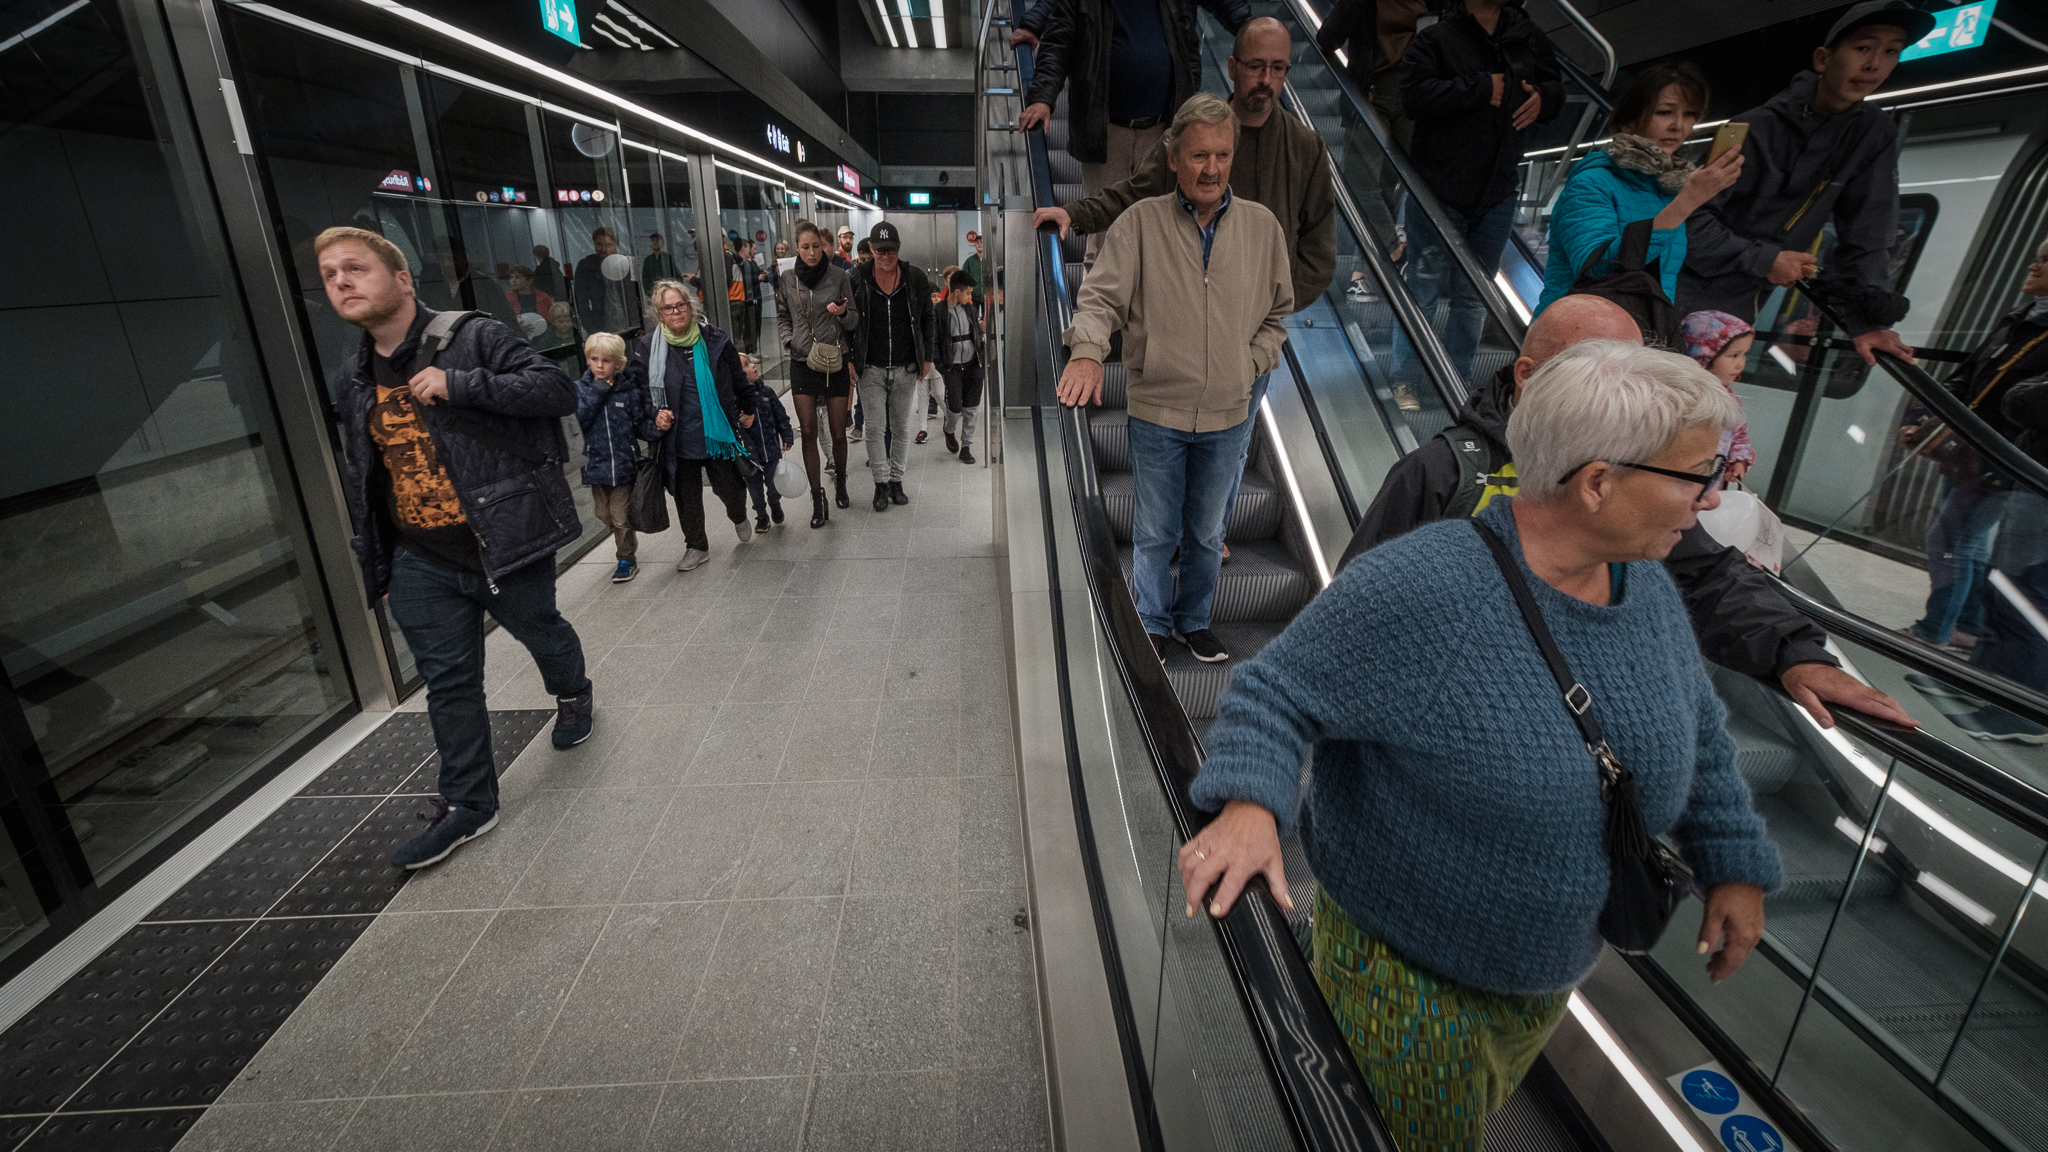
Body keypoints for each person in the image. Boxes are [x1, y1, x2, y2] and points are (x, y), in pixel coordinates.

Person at [1179, 339, 1784, 1149]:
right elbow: (1276, 690)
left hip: (1543, 980)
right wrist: (1251, 801)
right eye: (1695, 476)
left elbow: (1701, 732)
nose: (1709, 500)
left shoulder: (1645, 589)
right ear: (1597, 482)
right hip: (1405, 980)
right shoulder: (1428, 589)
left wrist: (1733, 862)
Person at [1339, 293, 1914, 730]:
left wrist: (1794, 653)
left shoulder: (1639, 471)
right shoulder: (1445, 473)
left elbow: (1704, 572)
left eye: (1635, 372)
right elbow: (1352, 619)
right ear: (1529, 375)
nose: (1624, 394)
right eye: (1597, 372)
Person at [314, 226, 593, 870]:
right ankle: (470, 803)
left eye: (355, 268)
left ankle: (572, 690)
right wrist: (379, 565)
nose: (341, 282)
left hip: (502, 539)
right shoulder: (352, 379)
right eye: (330, 275)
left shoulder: (473, 336)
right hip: (420, 558)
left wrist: (463, 384)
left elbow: (556, 390)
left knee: (538, 627)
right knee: (450, 682)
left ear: (403, 279)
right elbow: (365, 478)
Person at [1058, 93, 1292, 664]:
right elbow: (1099, 300)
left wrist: (1250, 361)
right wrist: (1088, 351)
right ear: (1172, 158)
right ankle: (1154, 625)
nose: (1211, 169)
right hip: (1157, 410)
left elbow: (1278, 314)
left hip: (1229, 412)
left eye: (1221, 155)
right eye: (1197, 157)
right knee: (1158, 531)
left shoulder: (1262, 229)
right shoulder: (1138, 224)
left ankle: (1195, 621)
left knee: (1208, 535)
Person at [1674, 1, 1935, 366]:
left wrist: (1867, 321)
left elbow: (1869, 233)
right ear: (1823, 59)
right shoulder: (1756, 128)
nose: (1874, 63)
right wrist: (1766, 259)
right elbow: (1687, 221)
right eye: (1863, 47)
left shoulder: (1873, 133)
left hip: (1742, 308)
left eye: (1891, 51)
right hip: (1682, 291)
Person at [1033, 17, 1336, 319]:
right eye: (1256, 66)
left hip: (1255, 323)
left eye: (1278, 68)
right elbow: (1136, 192)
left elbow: (1319, 251)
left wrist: (1274, 305)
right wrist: (1074, 214)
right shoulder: (1192, 131)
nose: (1266, 80)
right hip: (1184, 312)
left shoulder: (1305, 147)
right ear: (1232, 68)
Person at [1020, 0, 1252, 269]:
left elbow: (1202, 33)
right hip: (1105, 132)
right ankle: (1098, 309)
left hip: (1164, 131)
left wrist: (1254, 33)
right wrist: (1042, 97)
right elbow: (1058, 42)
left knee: (1159, 234)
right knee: (1104, 238)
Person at [1399, 0, 1562, 377]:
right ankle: (1406, 378)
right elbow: (1414, 97)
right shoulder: (1436, 38)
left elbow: (1554, 87)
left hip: (1498, 192)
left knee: (1474, 297)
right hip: (1437, 191)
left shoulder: (1527, 37)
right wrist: (1481, 87)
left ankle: (1458, 380)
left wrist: (1543, 99)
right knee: (1421, 289)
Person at [1900, 239, 2048, 651]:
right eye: (2036, 256)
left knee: (1949, 541)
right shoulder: (2020, 318)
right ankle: (1967, 624)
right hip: (1968, 449)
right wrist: (1931, 419)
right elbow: (1969, 374)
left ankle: (1934, 632)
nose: (2034, 266)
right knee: (1967, 541)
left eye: (2046, 260)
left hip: (2005, 456)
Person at [1535, 63, 1744, 322]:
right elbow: (1599, 270)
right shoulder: (1592, 182)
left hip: (1636, 336)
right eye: (1665, 112)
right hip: (1576, 332)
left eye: (1690, 114)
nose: (1678, 126)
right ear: (1628, 122)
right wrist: (1687, 202)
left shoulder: (1667, 188)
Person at [626, 281, 755, 572]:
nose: (676, 312)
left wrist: (749, 408)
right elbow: (640, 392)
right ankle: (696, 546)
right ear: (659, 314)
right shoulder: (648, 348)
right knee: (686, 495)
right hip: (676, 438)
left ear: (691, 306)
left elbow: (738, 378)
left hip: (715, 432)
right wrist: (654, 414)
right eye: (668, 308)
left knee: (729, 487)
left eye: (681, 305)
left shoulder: (714, 339)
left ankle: (738, 514)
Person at [849, 221, 940, 513]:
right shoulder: (858, 278)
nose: (886, 256)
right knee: (875, 428)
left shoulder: (913, 278)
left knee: (900, 427)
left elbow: (928, 318)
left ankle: (896, 480)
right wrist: (851, 358)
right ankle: (880, 484)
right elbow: (849, 323)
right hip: (871, 366)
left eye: (891, 250)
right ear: (871, 250)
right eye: (880, 250)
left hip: (905, 365)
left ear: (899, 249)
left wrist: (926, 357)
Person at [779, 220, 862, 526]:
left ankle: (840, 481)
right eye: (805, 247)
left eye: (816, 246)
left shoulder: (839, 275)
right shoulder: (788, 278)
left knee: (839, 431)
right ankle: (817, 498)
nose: (812, 253)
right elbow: (783, 315)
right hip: (802, 362)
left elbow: (853, 319)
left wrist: (842, 313)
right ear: (796, 249)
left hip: (834, 360)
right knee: (809, 431)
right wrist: (789, 341)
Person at [574, 331, 652, 583]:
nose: (599, 365)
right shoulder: (580, 389)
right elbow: (578, 421)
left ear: (618, 363)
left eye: (606, 360)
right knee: (603, 514)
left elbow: (639, 423)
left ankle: (626, 558)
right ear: (587, 360)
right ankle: (624, 540)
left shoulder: (628, 391)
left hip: (623, 464)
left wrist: (658, 428)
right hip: (595, 466)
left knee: (620, 516)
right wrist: (597, 392)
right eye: (594, 359)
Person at [1315, 0, 1430, 150]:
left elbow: (1328, 38)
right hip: (1380, 93)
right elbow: (1328, 39)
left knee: (1372, 167)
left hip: (1410, 94)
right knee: (1370, 166)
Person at [1679, 311, 1757, 483]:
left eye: (1744, 354)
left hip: (1712, 485)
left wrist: (1738, 460)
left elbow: (1739, 436)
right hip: (1678, 481)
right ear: (1703, 354)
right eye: (1733, 355)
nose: (1740, 363)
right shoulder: (1680, 397)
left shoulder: (1731, 400)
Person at [736, 351, 795, 531]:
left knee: (773, 484)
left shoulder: (767, 392)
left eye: (750, 363)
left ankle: (775, 504)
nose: (753, 366)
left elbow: (781, 416)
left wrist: (786, 435)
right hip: (750, 455)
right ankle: (761, 515)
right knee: (754, 488)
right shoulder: (735, 400)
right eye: (746, 365)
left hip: (771, 450)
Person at [938, 269, 987, 465]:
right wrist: (941, 366)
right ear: (957, 292)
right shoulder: (939, 312)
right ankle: (949, 430)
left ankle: (966, 446)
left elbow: (976, 332)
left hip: (973, 364)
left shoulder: (970, 310)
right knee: (955, 407)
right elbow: (934, 340)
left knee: (972, 407)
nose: (970, 297)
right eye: (968, 293)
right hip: (952, 367)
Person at [573, 226, 641, 336]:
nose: (604, 249)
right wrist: (593, 332)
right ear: (594, 245)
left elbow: (637, 297)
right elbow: (582, 305)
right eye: (599, 244)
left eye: (609, 245)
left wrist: (640, 325)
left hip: (630, 328)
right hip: (602, 330)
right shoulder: (586, 266)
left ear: (616, 245)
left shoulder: (627, 263)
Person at [533, 300, 584, 377]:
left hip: (576, 369)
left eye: (568, 321)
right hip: (557, 371)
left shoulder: (575, 333)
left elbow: (581, 351)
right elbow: (542, 354)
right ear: (553, 322)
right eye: (561, 322)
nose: (565, 324)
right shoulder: (548, 337)